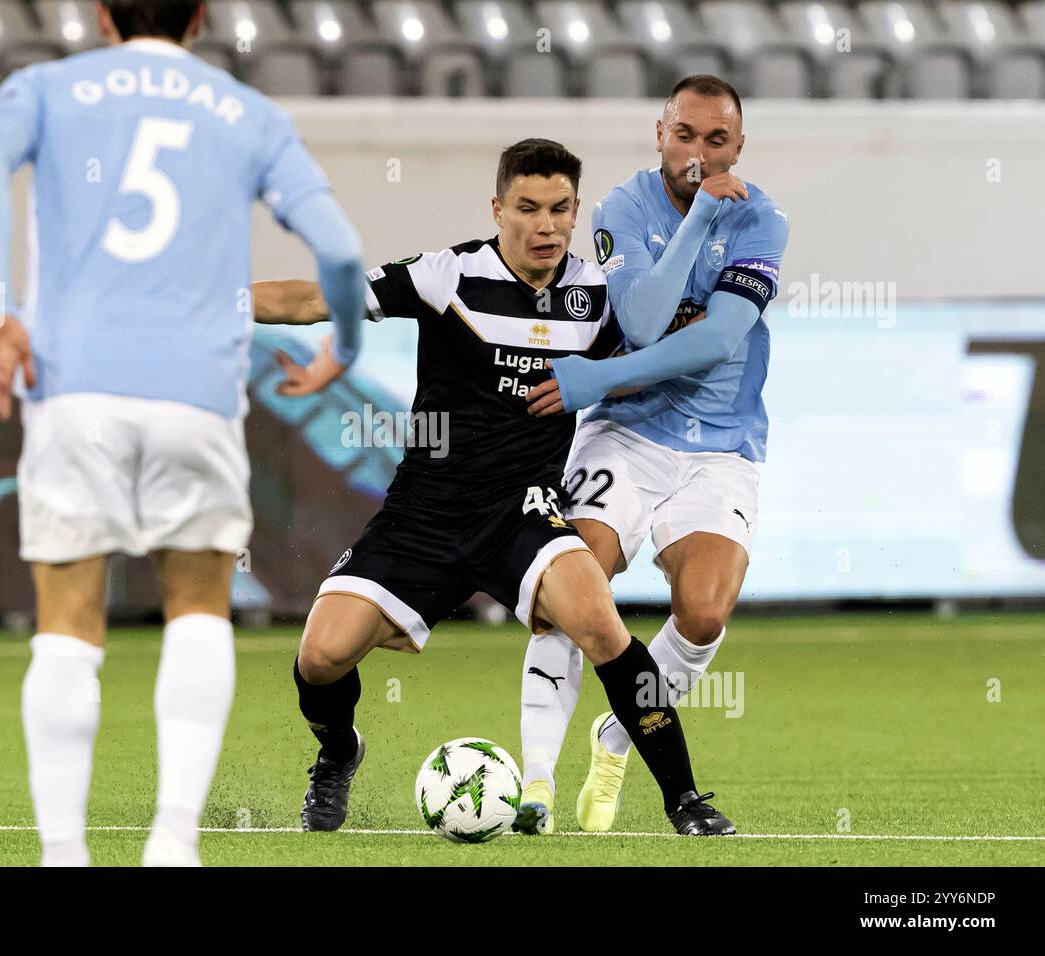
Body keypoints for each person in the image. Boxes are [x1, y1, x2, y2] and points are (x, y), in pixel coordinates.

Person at [0, 0, 366, 866]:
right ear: (203, 16)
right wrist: (347, 345)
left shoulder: (43, 87)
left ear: (102, 15)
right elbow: (337, 246)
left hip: (73, 390)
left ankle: (64, 854)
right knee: (197, 611)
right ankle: (172, 842)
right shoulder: (251, 114)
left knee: (66, 626)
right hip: (197, 396)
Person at [253, 138, 735, 838]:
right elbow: (311, 299)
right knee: (320, 657)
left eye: (561, 209)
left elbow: (666, 343)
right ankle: (338, 752)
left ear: (576, 211)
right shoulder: (447, 276)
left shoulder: (598, 298)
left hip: (525, 513)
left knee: (600, 623)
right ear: (498, 208)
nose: (546, 226)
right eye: (528, 209)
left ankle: (685, 800)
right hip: (424, 514)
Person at [517, 75, 789, 834]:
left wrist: (594, 378)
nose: (699, 154)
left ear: (739, 145)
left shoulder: (764, 219)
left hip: (719, 447)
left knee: (703, 612)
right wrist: (701, 217)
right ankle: (535, 784)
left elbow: (717, 338)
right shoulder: (621, 209)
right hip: (627, 436)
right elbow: (641, 320)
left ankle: (622, 732)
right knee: (572, 587)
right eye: (685, 135)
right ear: (659, 131)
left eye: (717, 140)